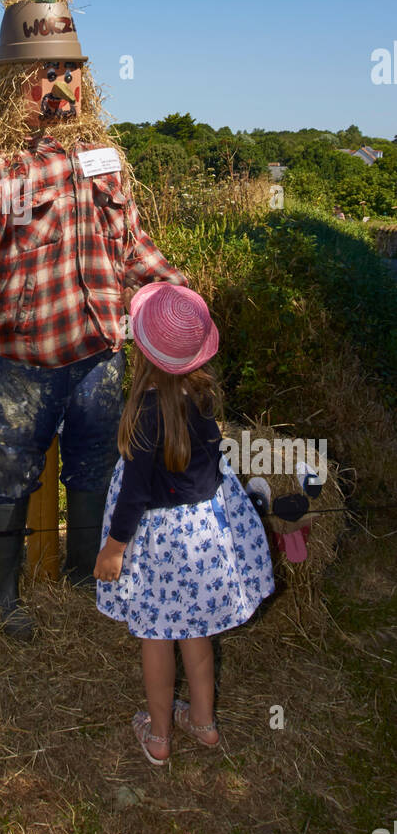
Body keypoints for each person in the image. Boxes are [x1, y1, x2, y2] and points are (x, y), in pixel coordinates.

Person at [0, 0, 187, 640]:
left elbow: (131, 244)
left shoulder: (105, 161)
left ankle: (81, 576)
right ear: (14, 88)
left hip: (98, 352)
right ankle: (2, 595)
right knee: (3, 470)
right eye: (44, 75)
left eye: (69, 72)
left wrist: (175, 289)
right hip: (20, 361)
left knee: (96, 464)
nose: (61, 88)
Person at [93, 282, 274, 764]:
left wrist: (114, 547)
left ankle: (158, 736)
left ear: (143, 353)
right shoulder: (203, 398)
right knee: (197, 634)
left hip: (158, 546)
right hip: (202, 541)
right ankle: (203, 723)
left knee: (156, 637)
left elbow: (134, 494)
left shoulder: (146, 413)